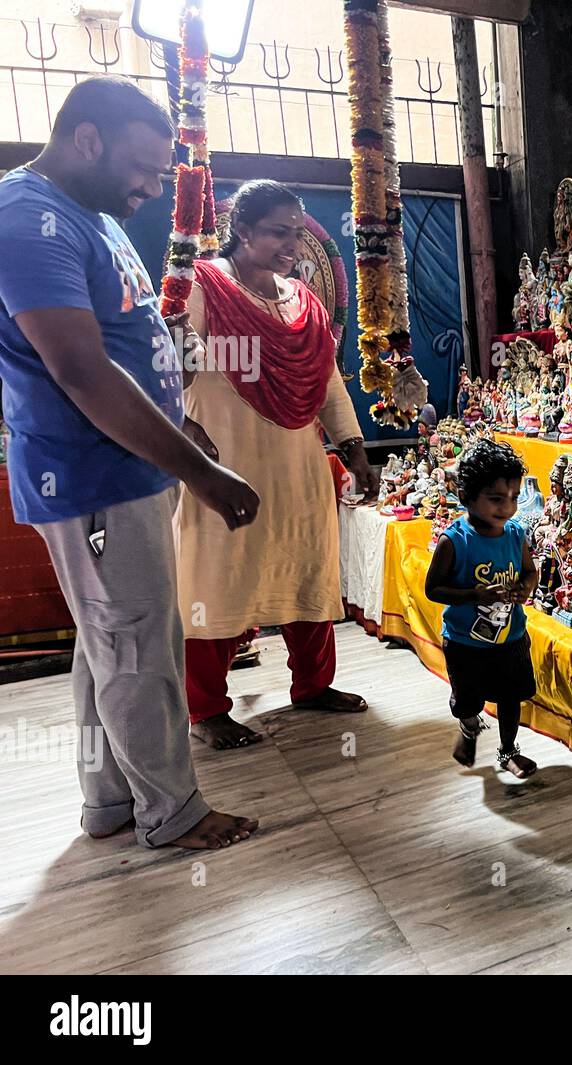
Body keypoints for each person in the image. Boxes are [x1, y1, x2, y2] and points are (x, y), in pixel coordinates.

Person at [0, 76, 259, 849]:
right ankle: (172, 811)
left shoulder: (88, 211)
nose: (154, 185)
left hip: (128, 466)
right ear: (88, 140)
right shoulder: (25, 217)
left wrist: (179, 423)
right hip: (92, 474)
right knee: (138, 644)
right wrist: (202, 474)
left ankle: (110, 800)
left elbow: (123, 342)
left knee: (108, 640)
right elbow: (81, 370)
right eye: (144, 167)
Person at [175, 180, 379, 750]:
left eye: (295, 232)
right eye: (277, 232)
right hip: (224, 461)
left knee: (307, 564)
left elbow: (328, 381)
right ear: (242, 230)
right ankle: (206, 709)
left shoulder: (302, 299)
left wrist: (352, 446)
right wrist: (177, 415)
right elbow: (173, 365)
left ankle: (313, 687)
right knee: (216, 576)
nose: (291, 244)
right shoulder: (202, 286)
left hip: (298, 462)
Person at [424, 440, 539, 778]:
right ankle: (469, 726)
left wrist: (526, 587)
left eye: (514, 498)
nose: (507, 507)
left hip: (511, 636)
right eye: (496, 498)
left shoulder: (515, 534)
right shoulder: (454, 540)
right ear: (469, 496)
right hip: (465, 643)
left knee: (510, 696)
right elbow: (433, 589)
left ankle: (508, 751)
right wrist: (474, 594)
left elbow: (531, 571)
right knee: (468, 701)